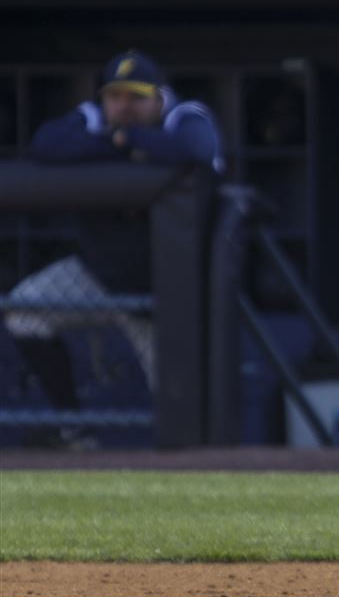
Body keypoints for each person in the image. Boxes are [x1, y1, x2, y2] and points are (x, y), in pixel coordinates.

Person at [6, 49, 223, 446]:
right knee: (24, 311)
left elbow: (197, 149)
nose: (123, 107)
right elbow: (45, 145)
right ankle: (74, 427)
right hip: (97, 276)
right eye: (115, 96)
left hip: (167, 294)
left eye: (136, 98)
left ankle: (192, 468)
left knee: (180, 405)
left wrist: (125, 138)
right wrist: (124, 144)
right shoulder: (93, 118)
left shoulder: (184, 115)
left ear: (159, 98)